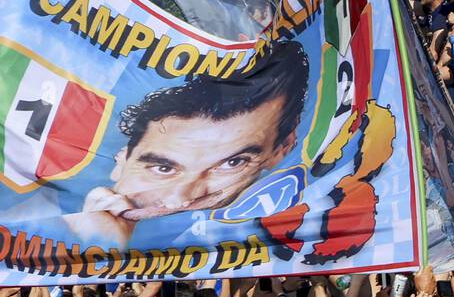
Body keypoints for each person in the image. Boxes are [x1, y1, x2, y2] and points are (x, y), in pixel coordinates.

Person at [67, 38, 310, 247]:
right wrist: (91, 246)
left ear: (284, 147)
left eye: (233, 163)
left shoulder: (288, 226)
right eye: (163, 168)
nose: (179, 201)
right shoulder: (48, 224)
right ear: (121, 160)